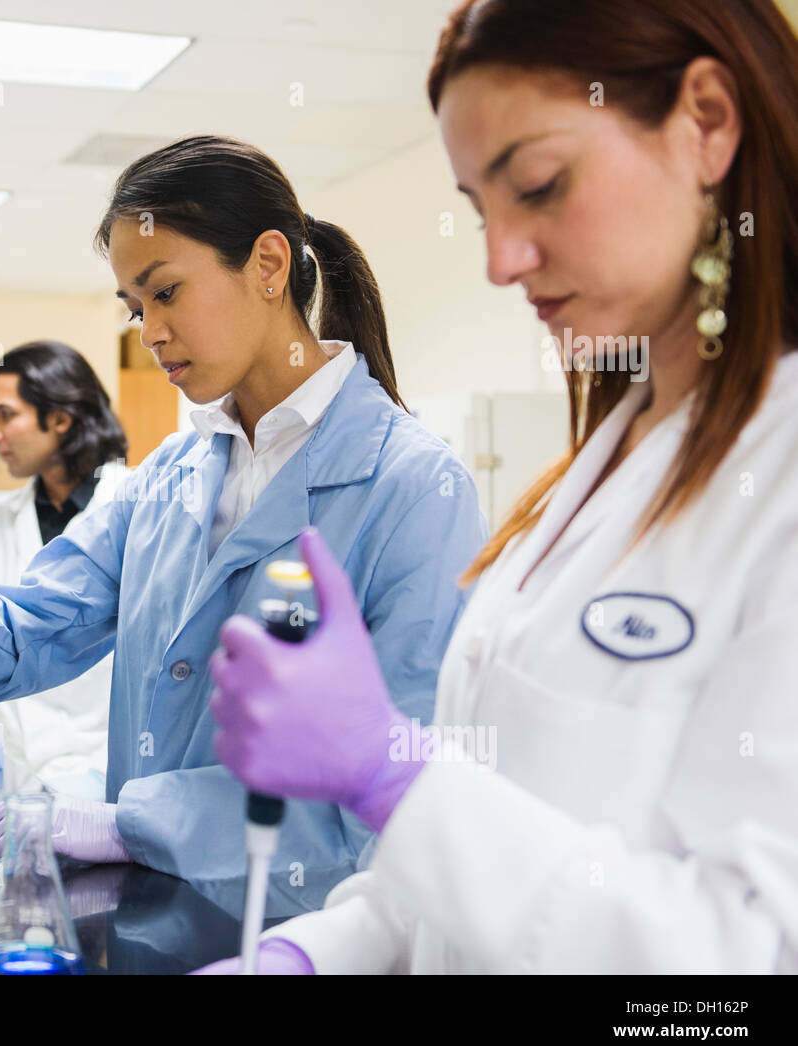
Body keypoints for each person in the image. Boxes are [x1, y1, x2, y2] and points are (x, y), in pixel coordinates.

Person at [203, 0, 798, 972]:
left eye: (539, 184)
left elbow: (744, 962)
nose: (499, 259)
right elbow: (460, 867)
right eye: (483, 209)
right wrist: (315, 956)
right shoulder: (603, 463)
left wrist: (387, 771)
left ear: (707, 120)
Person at [0, 134, 485, 881]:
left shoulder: (413, 488)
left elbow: (397, 786)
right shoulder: (165, 481)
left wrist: (137, 824)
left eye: (166, 292)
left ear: (269, 266)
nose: (149, 332)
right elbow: (19, 638)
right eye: (134, 307)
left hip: (307, 933)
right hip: (155, 917)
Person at [0, 341, 131, 794]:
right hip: (6, 772)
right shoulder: (0, 518)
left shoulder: (136, 504)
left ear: (61, 419)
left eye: (6, 415)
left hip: (102, 773)